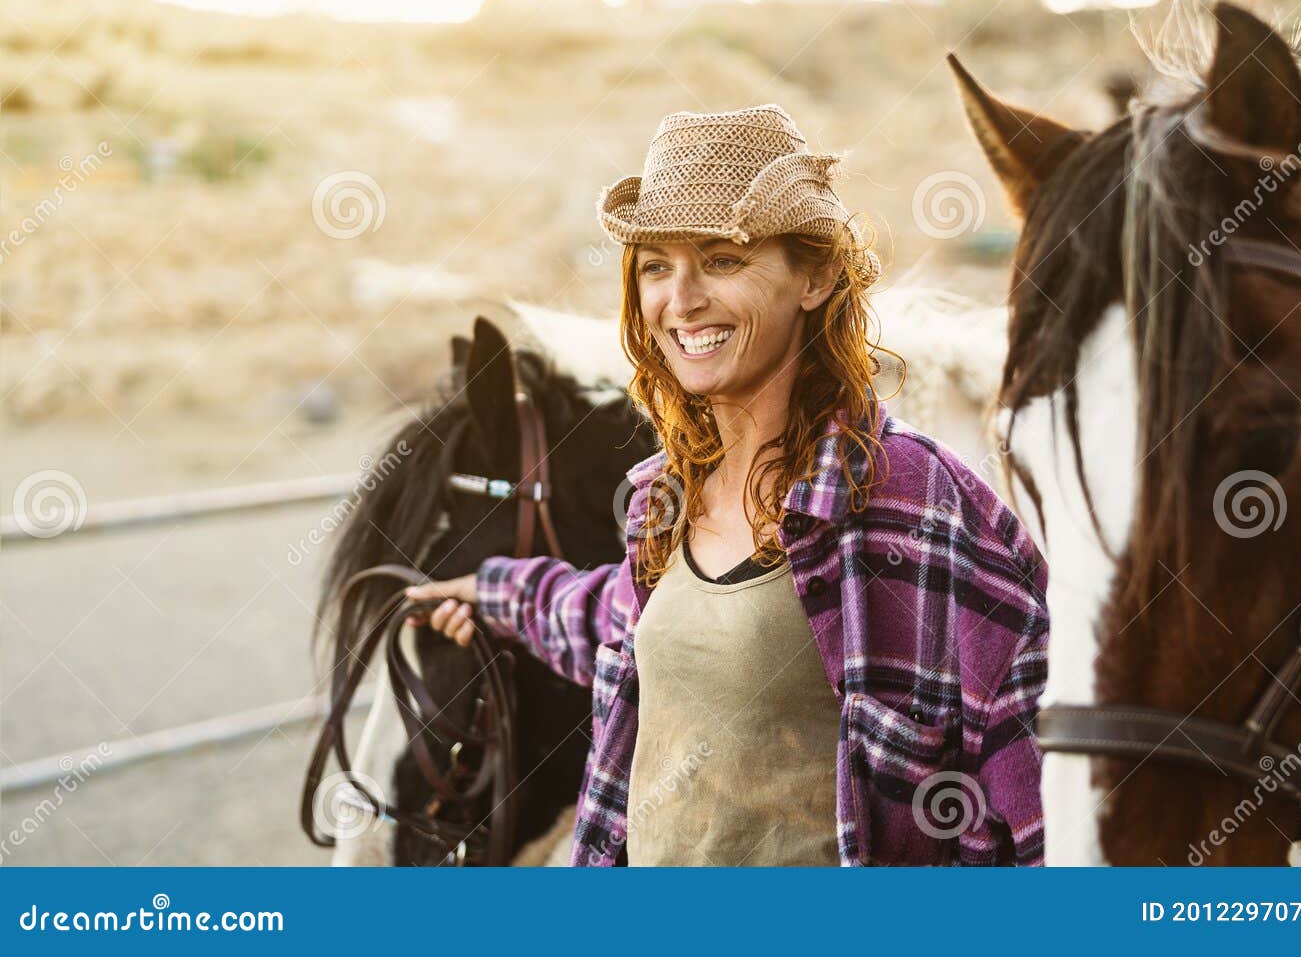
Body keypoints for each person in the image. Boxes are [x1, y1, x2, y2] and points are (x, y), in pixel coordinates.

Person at [405, 105, 1048, 866]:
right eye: (655, 267)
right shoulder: (661, 500)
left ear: (814, 276)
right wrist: (491, 591)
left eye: (721, 259)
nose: (681, 299)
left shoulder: (914, 501)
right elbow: (610, 622)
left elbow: (1035, 795)